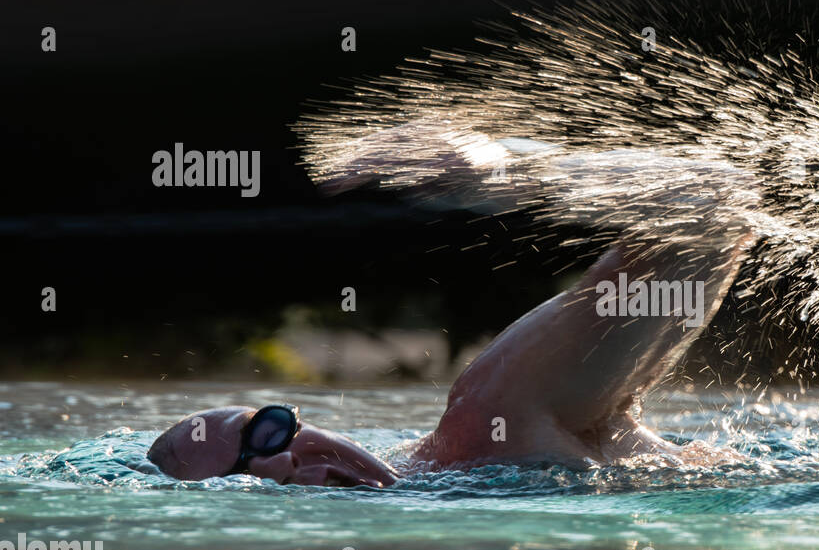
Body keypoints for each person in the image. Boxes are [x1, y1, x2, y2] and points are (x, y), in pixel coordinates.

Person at [147, 135, 756, 486]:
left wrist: (505, 167)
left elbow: (711, 208)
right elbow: (710, 204)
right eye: (255, 454)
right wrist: (507, 173)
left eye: (276, 422)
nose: (290, 449)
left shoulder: (484, 430)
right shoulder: (486, 441)